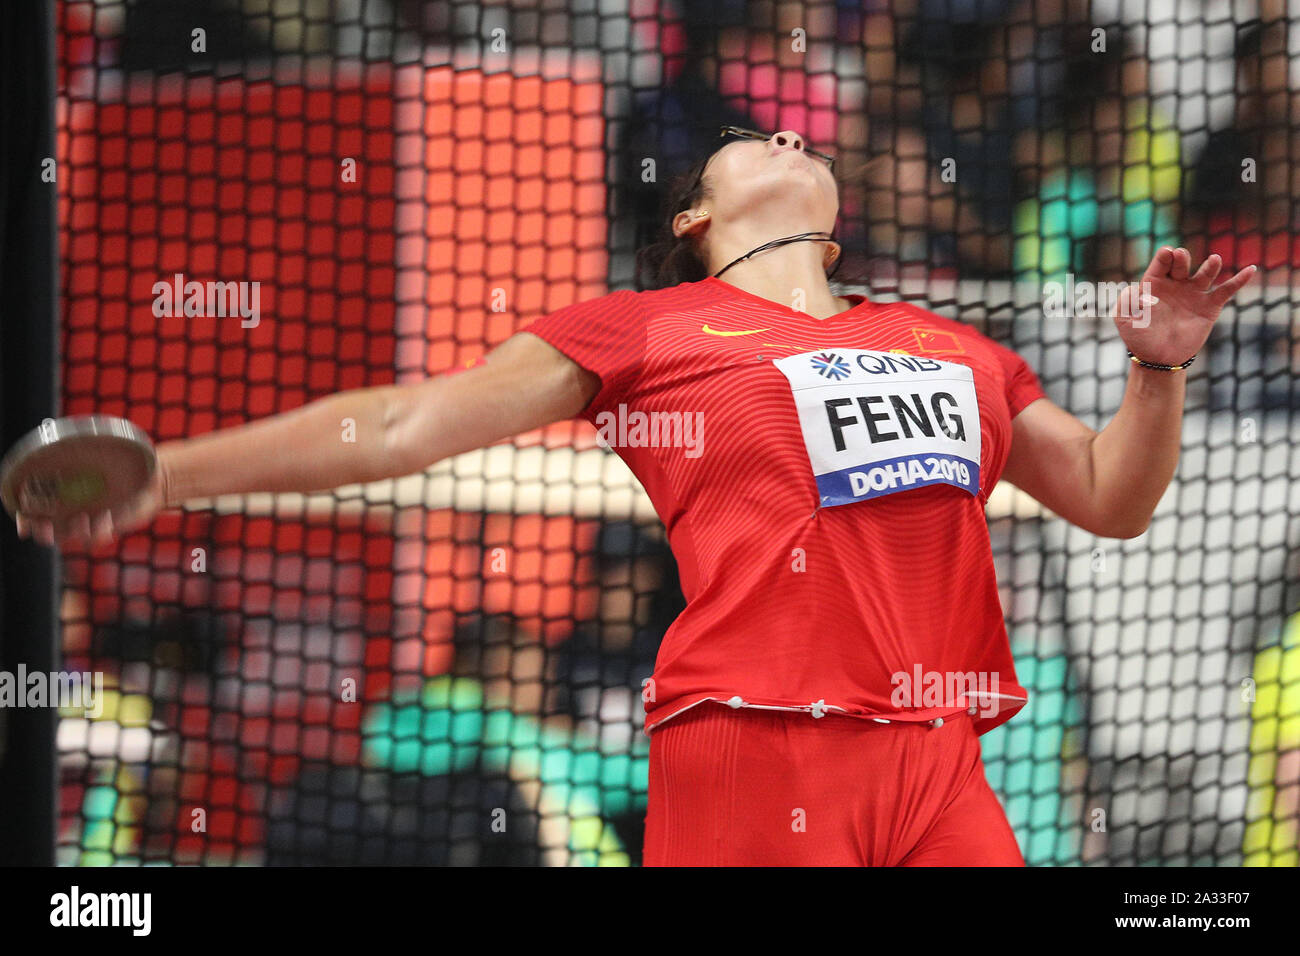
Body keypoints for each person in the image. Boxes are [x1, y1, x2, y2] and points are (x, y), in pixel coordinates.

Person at [15, 128, 1256, 866]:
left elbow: (1107, 495)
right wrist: (167, 475)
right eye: (752, 141)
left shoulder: (954, 345)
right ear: (696, 214)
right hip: (752, 732)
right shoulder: (648, 330)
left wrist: (1159, 368)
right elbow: (401, 423)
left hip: (938, 755)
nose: (789, 135)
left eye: (799, 138)